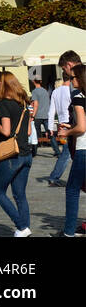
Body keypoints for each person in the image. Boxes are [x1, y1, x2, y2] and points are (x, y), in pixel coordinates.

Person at [0, 71, 34, 236]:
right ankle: (24, 230)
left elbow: (6, 131)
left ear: (3, 84)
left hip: (12, 155)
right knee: (20, 195)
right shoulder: (23, 104)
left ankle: (21, 226)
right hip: (26, 154)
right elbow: (27, 131)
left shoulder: (5, 104)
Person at [56, 62, 86, 237]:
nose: (70, 80)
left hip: (83, 148)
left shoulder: (79, 97)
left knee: (72, 190)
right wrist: (72, 124)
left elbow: (82, 128)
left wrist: (67, 131)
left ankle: (68, 232)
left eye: (72, 77)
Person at [48, 53, 81, 187]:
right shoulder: (71, 87)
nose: (64, 71)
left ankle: (54, 176)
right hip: (71, 126)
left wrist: (51, 127)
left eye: (63, 68)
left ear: (69, 65)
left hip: (72, 128)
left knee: (67, 154)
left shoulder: (62, 90)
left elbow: (52, 111)